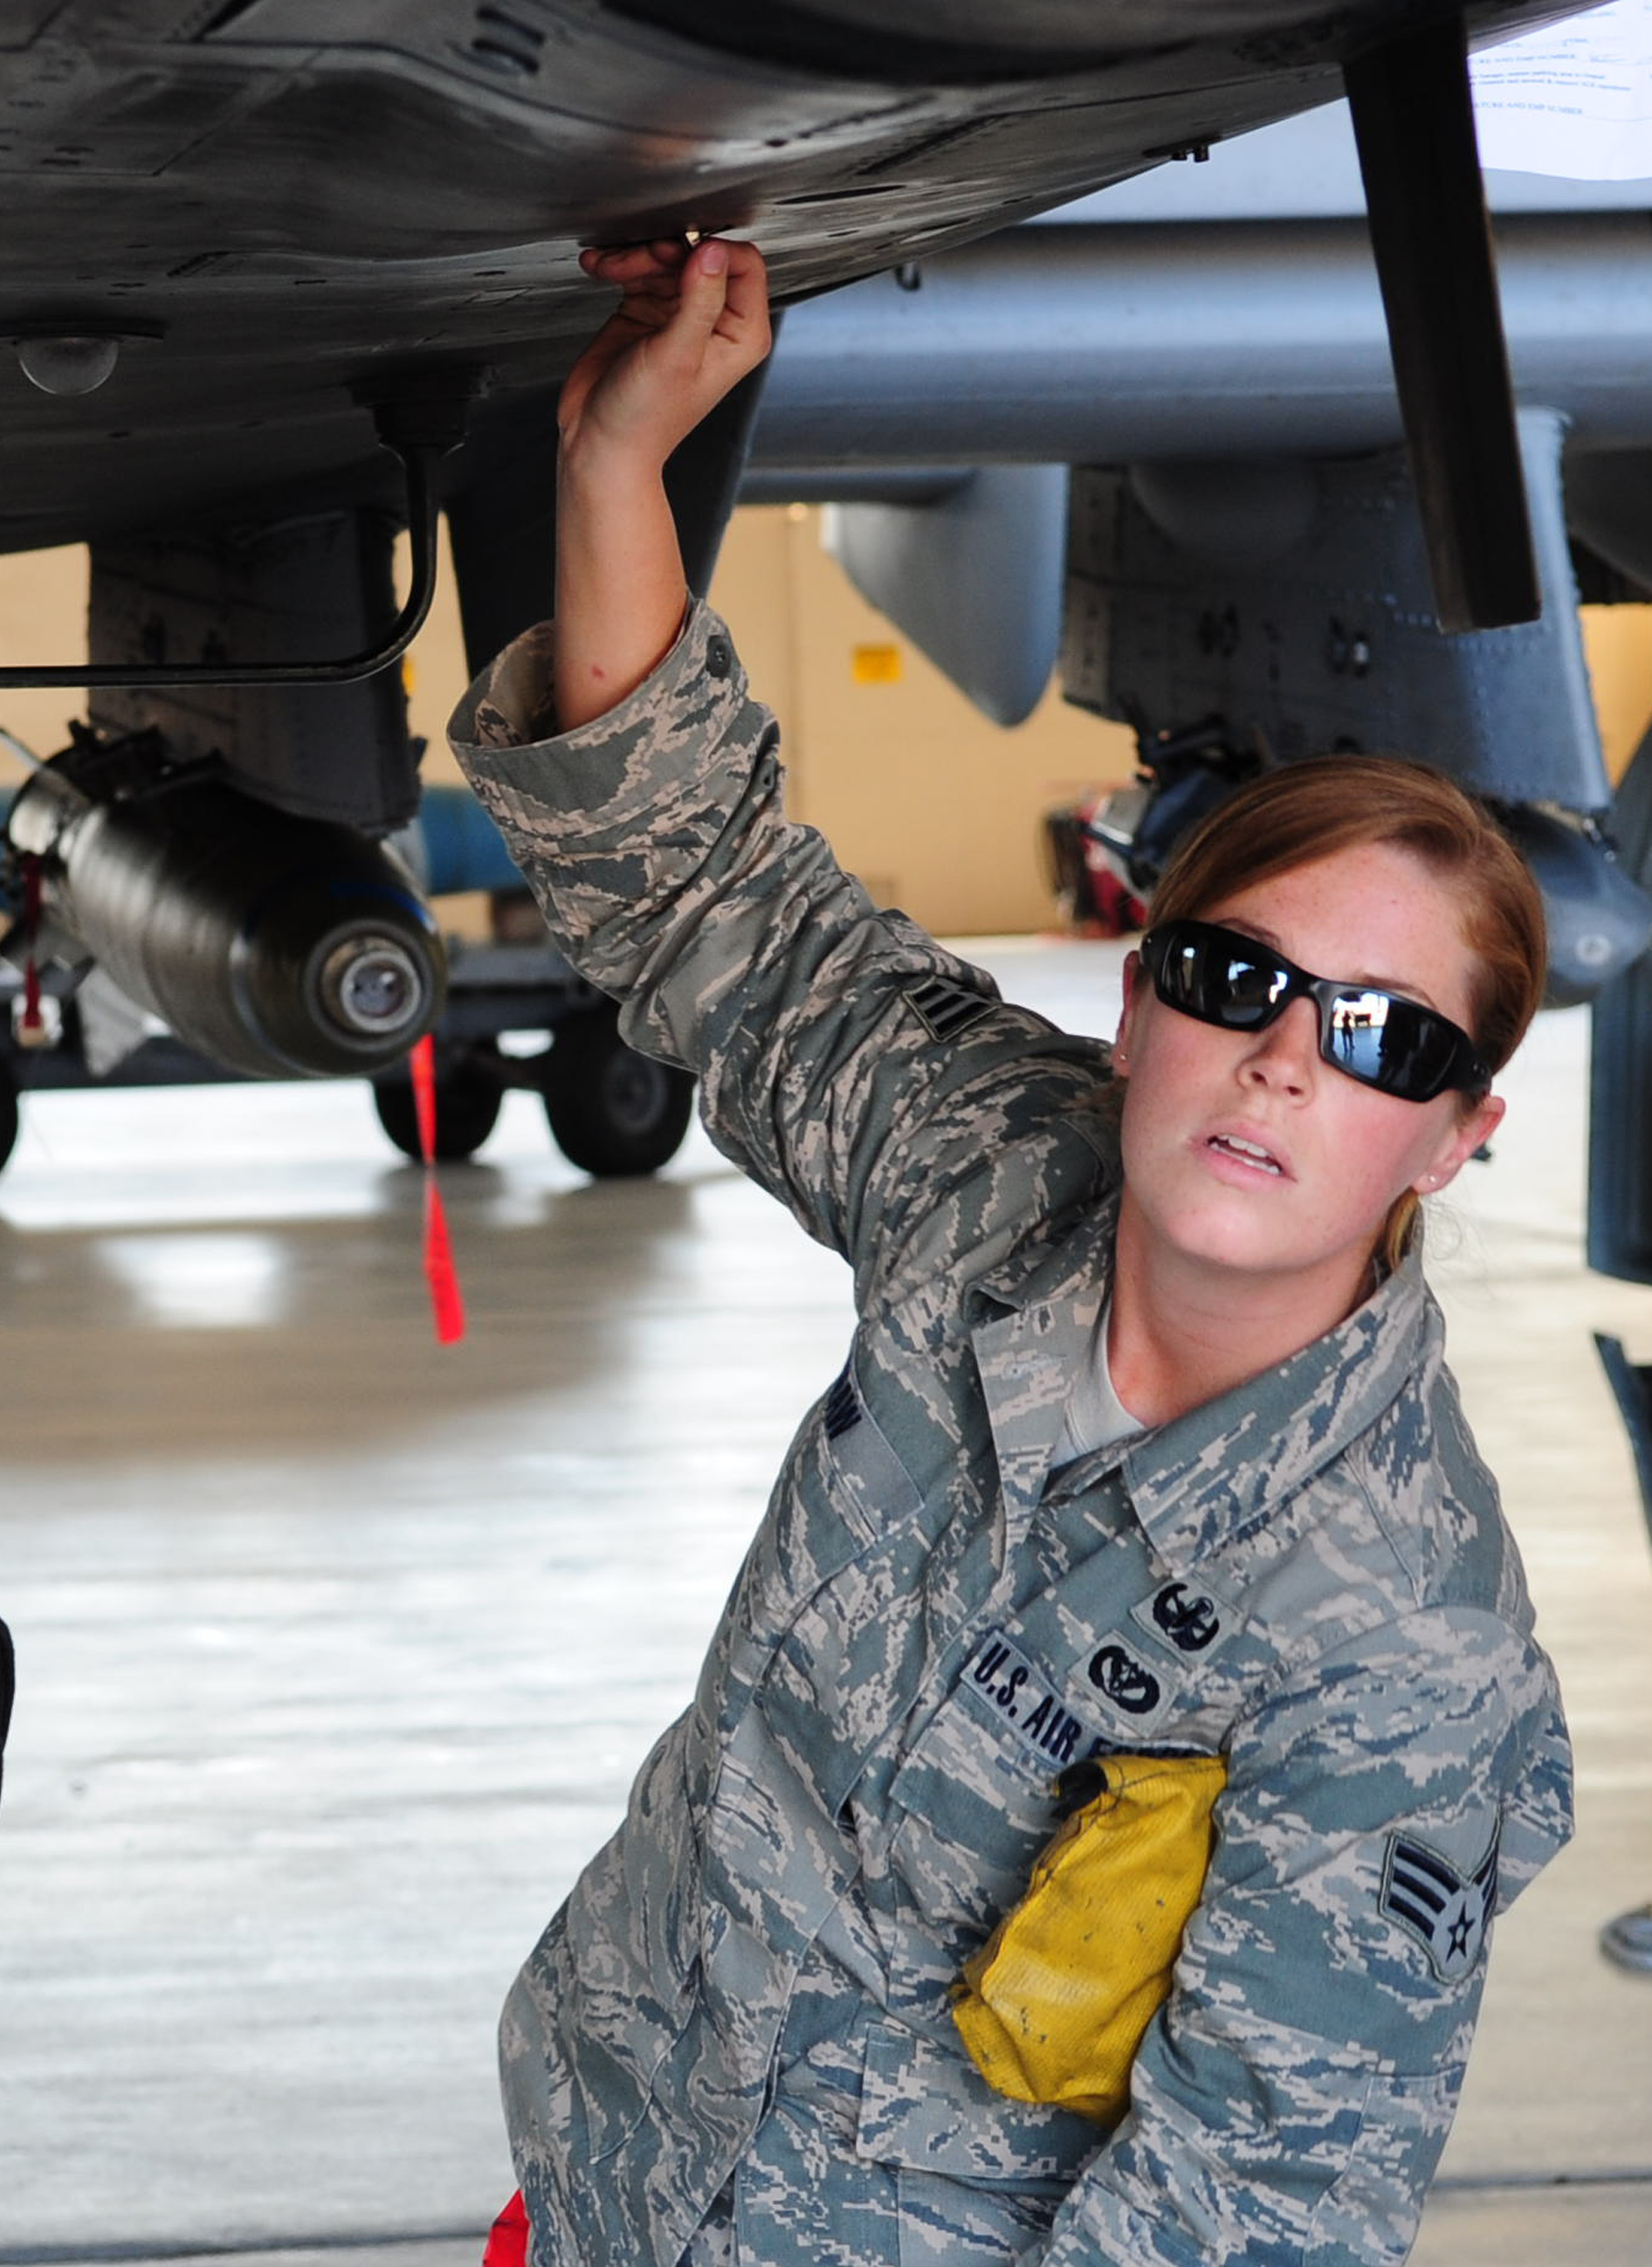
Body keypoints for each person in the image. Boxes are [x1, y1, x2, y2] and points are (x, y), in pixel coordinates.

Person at [449, 236, 1573, 2267]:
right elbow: (703, 885)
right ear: (1140, 996)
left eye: (1387, 1036)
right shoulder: (996, 1177)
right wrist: (615, 464)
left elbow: (1256, 2212)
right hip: (612, 2183)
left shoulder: (1401, 1634)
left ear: (1460, 1129)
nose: (1289, 1067)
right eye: (1241, 978)